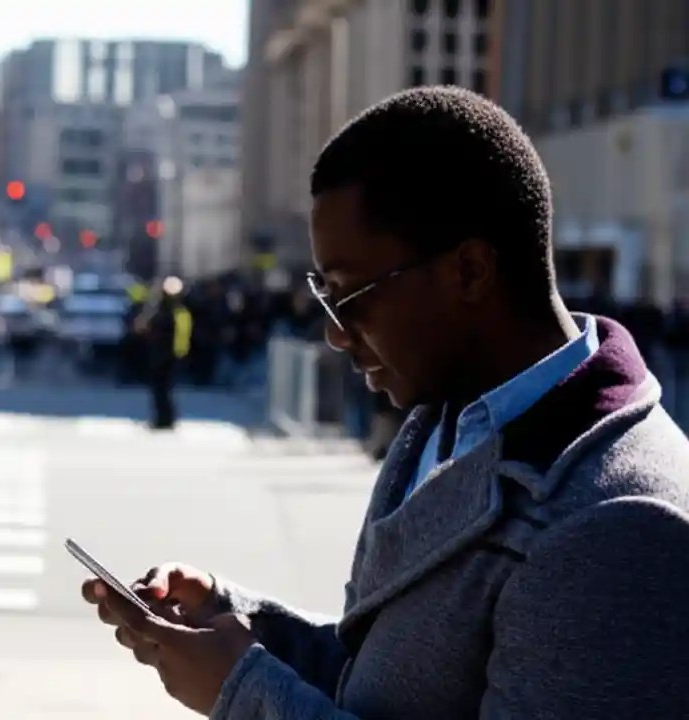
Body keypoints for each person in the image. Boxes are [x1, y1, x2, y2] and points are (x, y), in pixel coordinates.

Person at [82, 87, 689, 718]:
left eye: (352, 293)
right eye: (325, 296)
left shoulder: (618, 524)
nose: (336, 332)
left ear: (470, 271)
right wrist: (239, 625)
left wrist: (242, 691)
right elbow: (385, 679)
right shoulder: (450, 417)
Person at [137, 277, 192, 430]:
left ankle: (164, 420)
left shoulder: (168, 312)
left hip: (164, 355)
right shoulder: (179, 312)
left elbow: (155, 331)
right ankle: (164, 419)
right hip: (169, 355)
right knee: (163, 389)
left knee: (161, 389)